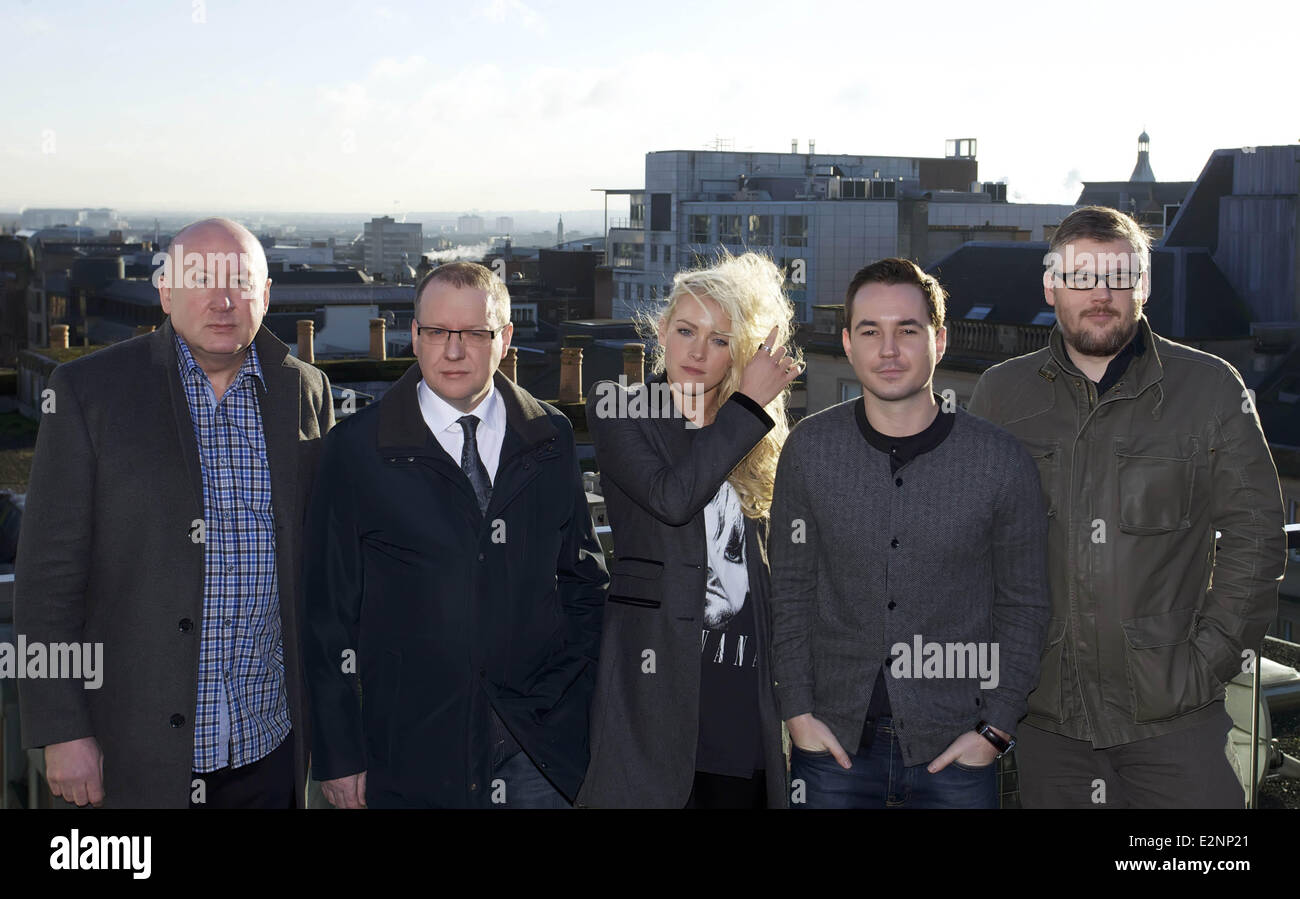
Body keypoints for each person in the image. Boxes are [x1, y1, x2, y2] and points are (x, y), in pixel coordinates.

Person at [967, 206, 1286, 808]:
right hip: (1046, 724)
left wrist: (1205, 662)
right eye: (1082, 277)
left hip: (1176, 723)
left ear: (1144, 286)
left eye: (1118, 276)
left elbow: (1258, 536)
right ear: (1051, 286)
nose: (1101, 294)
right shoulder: (1001, 395)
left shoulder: (1211, 389)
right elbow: (968, 543)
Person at [16, 217, 333, 808]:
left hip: (270, 748)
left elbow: (323, 567)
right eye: (200, 278)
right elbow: (45, 581)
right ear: (165, 291)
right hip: (132, 757)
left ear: (266, 295)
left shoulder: (304, 391)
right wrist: (62, 729)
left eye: (240, 280)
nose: (222, 298)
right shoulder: (89, 392)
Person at [304, 261, 608, 809]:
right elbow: (327, 615)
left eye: (474, 333)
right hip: (411, 748)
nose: (453, 350)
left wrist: (566, 693)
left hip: (536, 747)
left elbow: (582, 582)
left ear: (505, 339)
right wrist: (340, 751)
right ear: (414, 336)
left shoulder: (550, 436)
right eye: (437, 332)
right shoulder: (356, 449)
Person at [768, 257, 1051, 809]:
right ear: (848, 344)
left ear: (938, 341)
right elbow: (790, 593)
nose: (888, 349)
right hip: (831, 748)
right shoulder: (808, 451)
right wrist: (797, 713)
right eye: (871, 331)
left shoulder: (1001, 462)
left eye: (908, 330)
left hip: (958, 749)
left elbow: (1025, 605)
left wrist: (995, 730)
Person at [578, 252, 801, 809]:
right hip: (657, 683)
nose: (699, 351)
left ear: (739, 352)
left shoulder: (754, 435)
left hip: (744, 685)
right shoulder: (623, 411)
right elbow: (673, 499)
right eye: (686, 330)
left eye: (720, 340)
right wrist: (750, 402)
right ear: (661, 332)